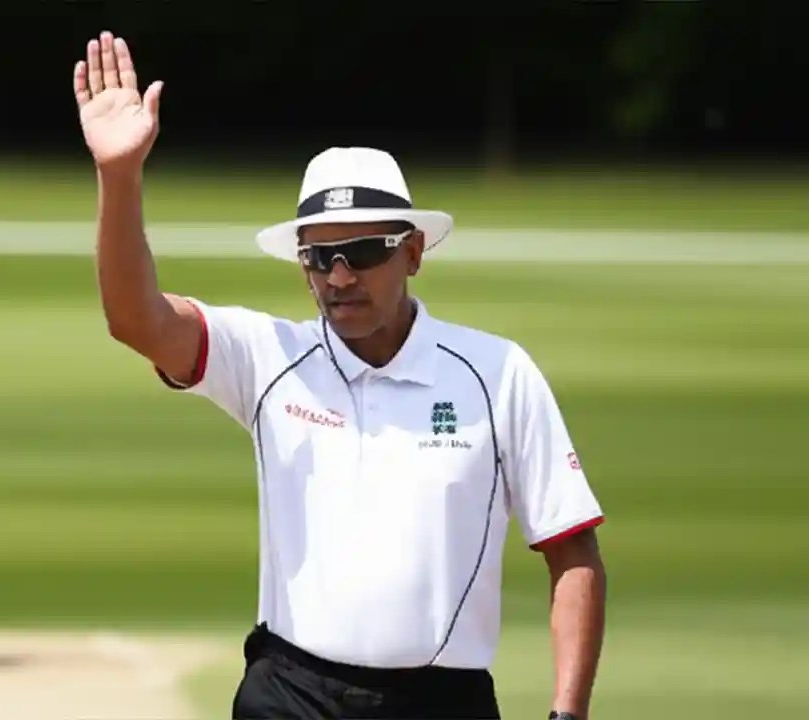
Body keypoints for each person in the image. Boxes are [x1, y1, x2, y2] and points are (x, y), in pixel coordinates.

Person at [73, 31, 607, 720]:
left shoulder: (496, 373)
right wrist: (119, 176)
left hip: (440, 703)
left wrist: (567, 715)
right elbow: (135, 320)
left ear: (413, 251)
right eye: (318, 258)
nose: (339, 276)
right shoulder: (267, 356)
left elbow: (572, 551)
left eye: (361, 250)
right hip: (290, 693)